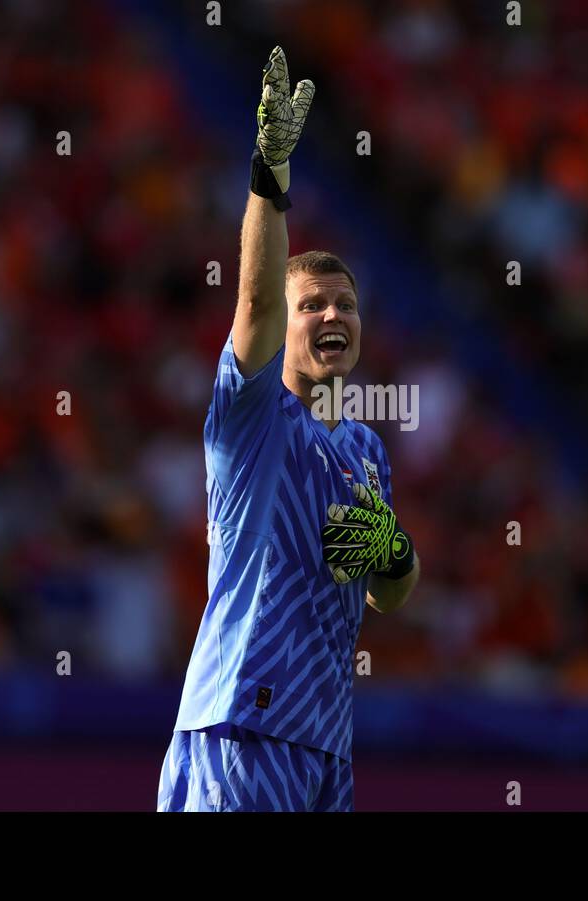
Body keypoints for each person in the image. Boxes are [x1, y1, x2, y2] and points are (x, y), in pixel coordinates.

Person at [157, 47, 421, 812]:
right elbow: (254, 303)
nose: (334, 314)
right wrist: (269, 179)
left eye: (347, 303)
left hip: (323, 745)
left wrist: (395, 550)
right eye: (314, 304)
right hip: (243, 725)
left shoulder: (367, 448)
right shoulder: (253, 414)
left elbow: (391, 594)